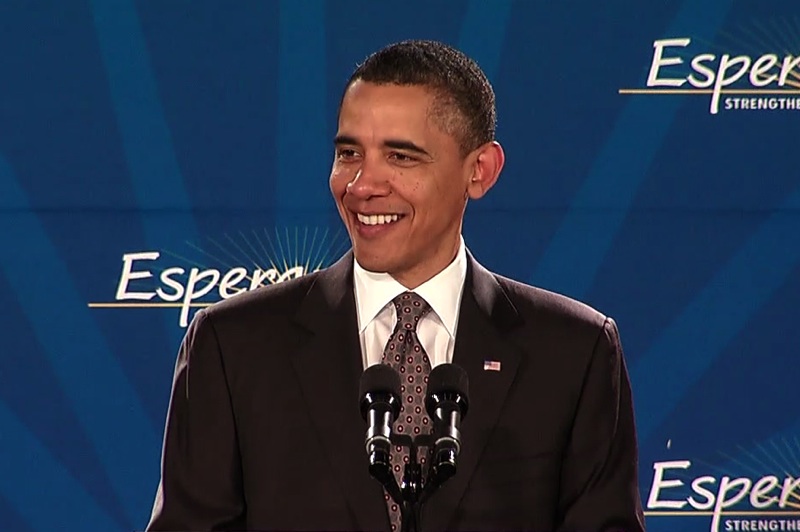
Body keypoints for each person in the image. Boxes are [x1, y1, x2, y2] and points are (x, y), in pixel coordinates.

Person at [146, 40, 645, 531]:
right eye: (348, 153)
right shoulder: (232, 347)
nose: (362, 184)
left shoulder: (574, 353)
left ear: (480, 170)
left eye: (401, 157)